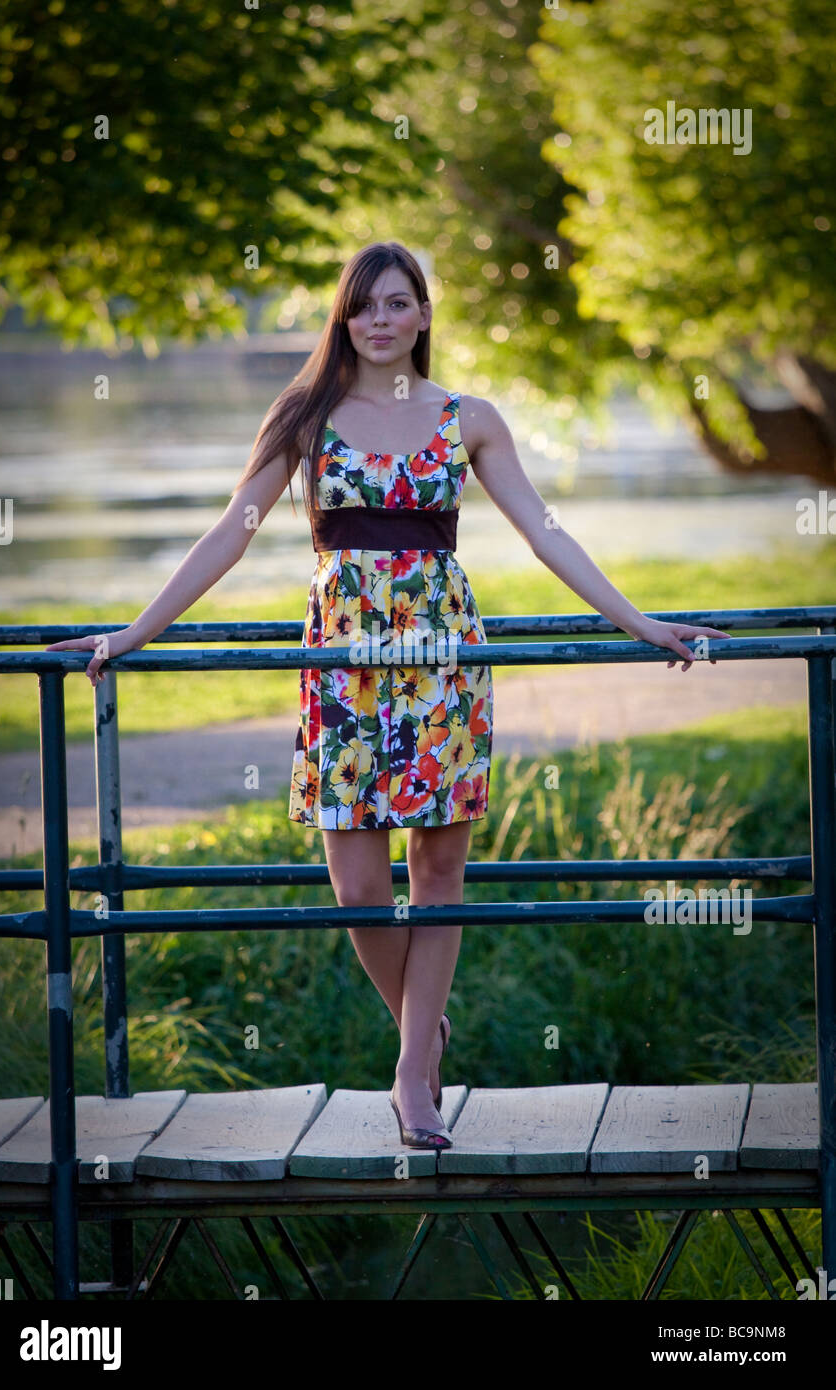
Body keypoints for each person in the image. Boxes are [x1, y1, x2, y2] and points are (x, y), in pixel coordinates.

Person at [46, 239, 731, 1151]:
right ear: (345, 315)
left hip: (443, 659)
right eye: (364, 305)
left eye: (398, 303)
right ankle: (426, 1025)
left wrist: (644, 624)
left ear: (422, 315)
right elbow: (228, 537)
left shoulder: (468, 417)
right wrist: (130, 635)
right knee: (358, 882)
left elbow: (545, 533)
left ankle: (414, 1077)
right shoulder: (306, 416)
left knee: (438, 869)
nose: (380, 320)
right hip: (343, 667)